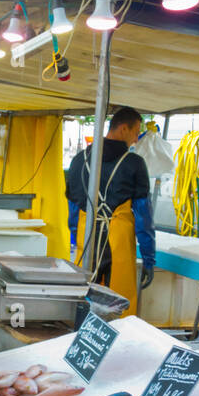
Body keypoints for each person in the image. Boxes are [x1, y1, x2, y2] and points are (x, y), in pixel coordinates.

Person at [65, 106, 155, 316]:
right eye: (135, 133)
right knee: (118, 309)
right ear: (123, 129)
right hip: (118, 245)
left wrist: (74, 241)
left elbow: (72, 211)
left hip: (85, 242)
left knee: (83, 303)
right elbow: (144, 216)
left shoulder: (78, 161)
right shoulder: (134, 164)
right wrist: (149, 258)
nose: (136, 139)